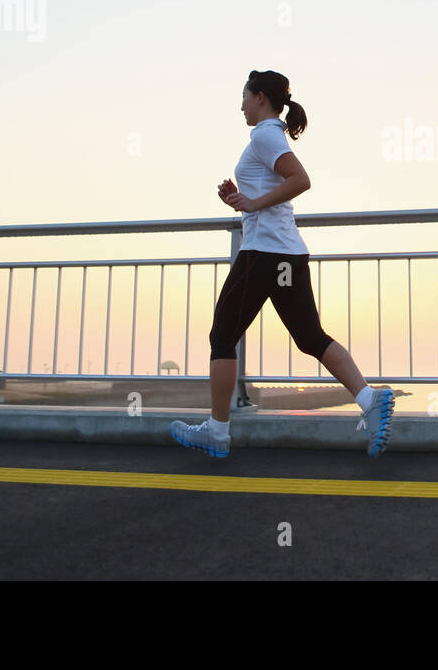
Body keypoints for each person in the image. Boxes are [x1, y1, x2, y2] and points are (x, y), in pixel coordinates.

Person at [170, 69, 396, 458]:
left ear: (260, 98)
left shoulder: (265, 134)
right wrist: (241, 199)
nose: (240, 105)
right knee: (310, 337)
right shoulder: (269, 135)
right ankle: (368, 400)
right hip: (287, 253)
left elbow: (300, 179)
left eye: (244, 97)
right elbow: (279, 186)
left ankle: (218, 434)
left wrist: (253, 204)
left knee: (223, 337)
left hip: (262, 253)